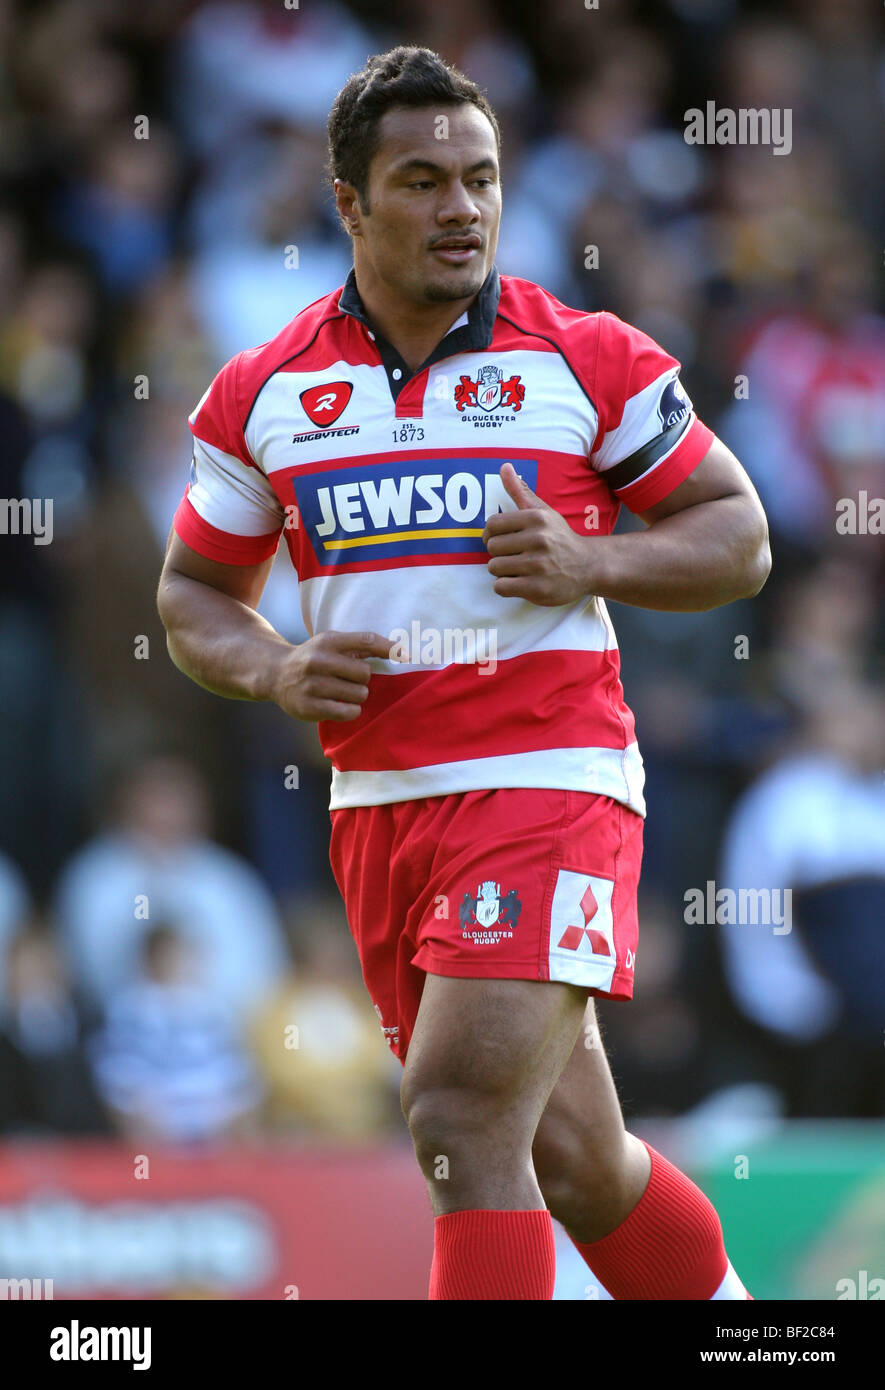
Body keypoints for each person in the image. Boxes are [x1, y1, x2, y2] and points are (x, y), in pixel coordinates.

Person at [157, 46, 771, 1300]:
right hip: (381, 809)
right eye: (424, 180)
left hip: (548, 779)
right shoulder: (265, 391)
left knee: (454, 1117)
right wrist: (275, 670)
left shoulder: (583, 357)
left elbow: (740, 536)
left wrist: (590, 559)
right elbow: (190, 596)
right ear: (348, 201)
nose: (462, 209)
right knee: (577, 1156)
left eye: (482, 180)